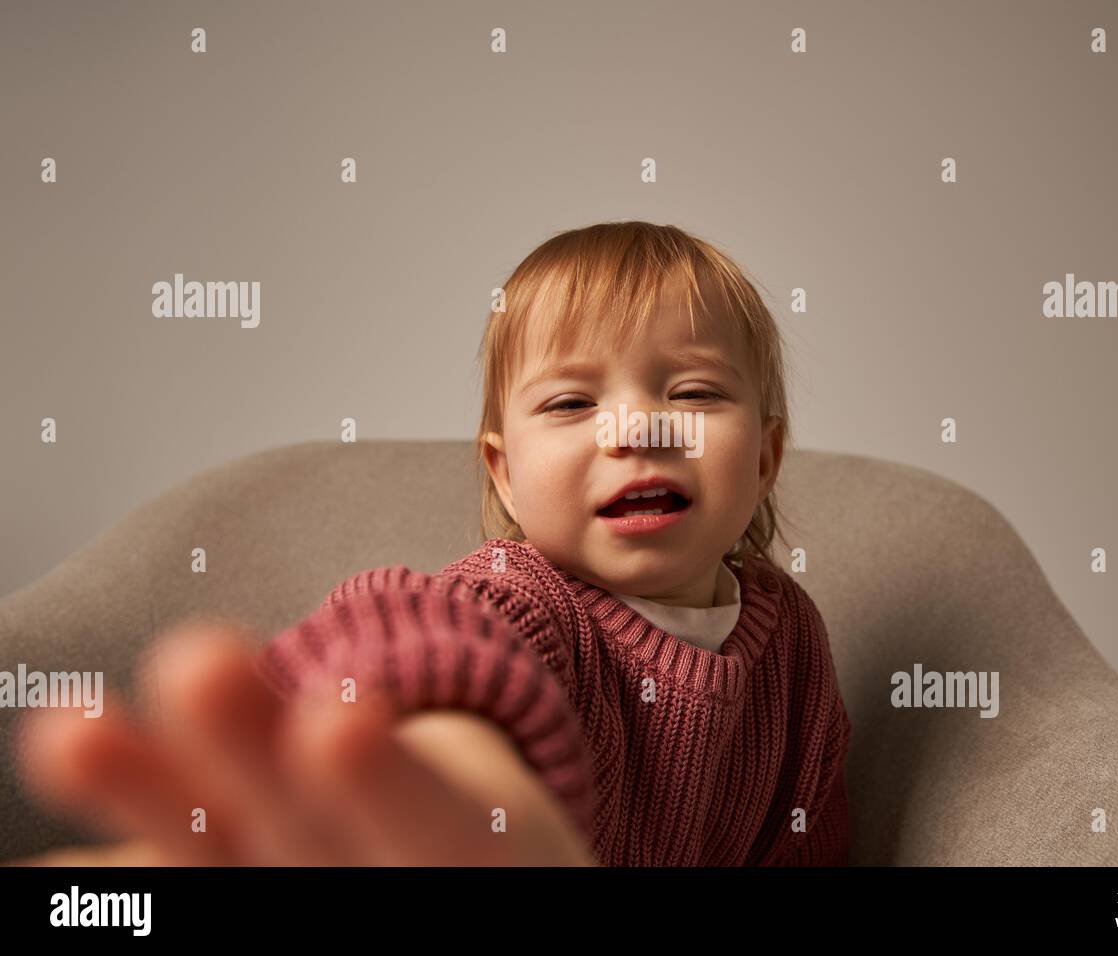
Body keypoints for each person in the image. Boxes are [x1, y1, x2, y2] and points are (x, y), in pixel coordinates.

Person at [13, 221, 852, 866]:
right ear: (507, 476)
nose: (633, 428)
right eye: (569, 405)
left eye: (694, 391)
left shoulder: (793, 642)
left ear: (768, 456)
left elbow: (804, 843)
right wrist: (446, 750)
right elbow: (423, 633)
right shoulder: (521, 596)